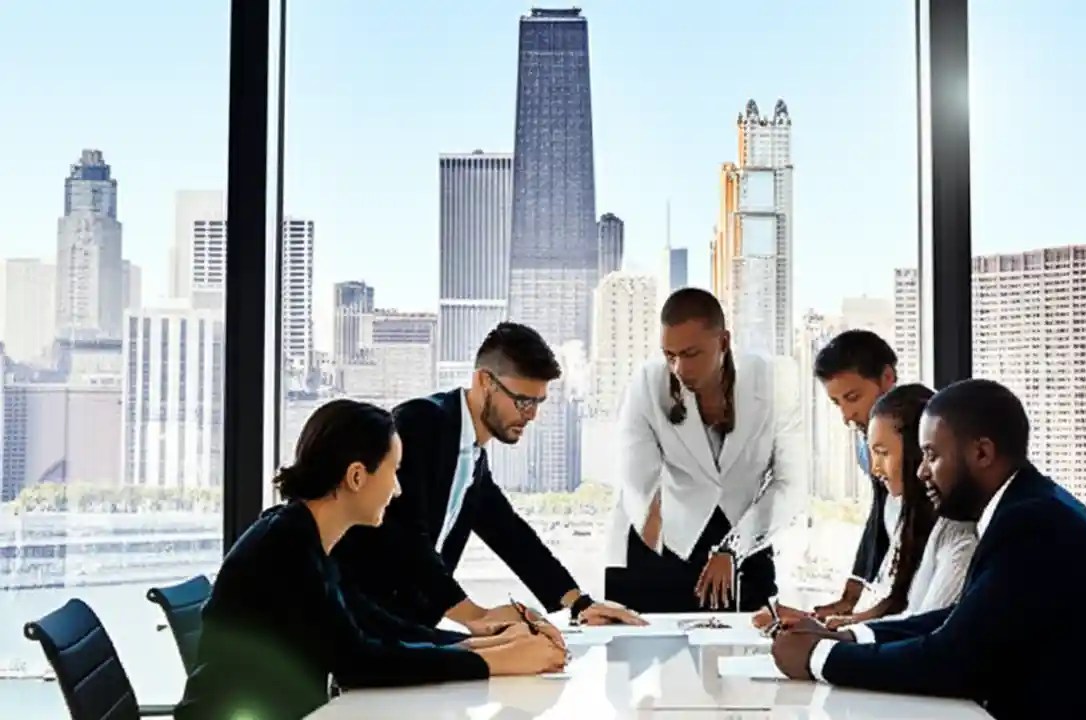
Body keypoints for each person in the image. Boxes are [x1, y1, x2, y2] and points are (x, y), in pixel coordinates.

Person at [770, 379, 1086, 720]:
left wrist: (818, 659)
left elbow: (953, 662)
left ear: (981, 453)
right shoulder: (1030, 506)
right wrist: (850, 636)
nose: (920, 470)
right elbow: (962, 621)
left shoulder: (1032, 525)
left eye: (931, 455)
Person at [175, 400, 565, 720]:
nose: (397, 491)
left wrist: (479, 642)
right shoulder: (284, 548)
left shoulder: (305, 537)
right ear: (357, 476)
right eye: (394, 472)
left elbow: (374, 625)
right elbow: (359, 663)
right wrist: (495, 664)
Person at [333, 323, 644, 632]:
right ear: (485, 381)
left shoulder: (472, 457)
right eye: (523, 400)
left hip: (402, 629)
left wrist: (580, 604)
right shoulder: (422, 422)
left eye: (538, 402)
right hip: (354, 622)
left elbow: (512, 537)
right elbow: (405, 535)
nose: (531, 414)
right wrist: (477, 617)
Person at [603, 288, 807, 612]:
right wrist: (655, 559)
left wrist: (734, 547)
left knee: (748, 652)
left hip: (745, 538)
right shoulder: (647, 383)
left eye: (691, 353)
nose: (680, 369)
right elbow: (637, 480)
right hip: (664, 540)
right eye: (670, 355)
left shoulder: (775, 382)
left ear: (724, 342)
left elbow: (791, 484)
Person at [754, 383, 975, 631]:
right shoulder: (907, 518)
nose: (875, 468)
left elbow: (922, 630)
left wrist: (829, 631)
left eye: (882, 453)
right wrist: (815, 622)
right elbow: (889, 605)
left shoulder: (958, 537)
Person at [764, 330, 898, 625]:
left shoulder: (921, 438)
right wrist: (850, 600)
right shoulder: (868, 442)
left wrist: (855, 620)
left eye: (853, 397)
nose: (847, 415)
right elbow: (879, 519)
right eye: (837, 403)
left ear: (887, 377)